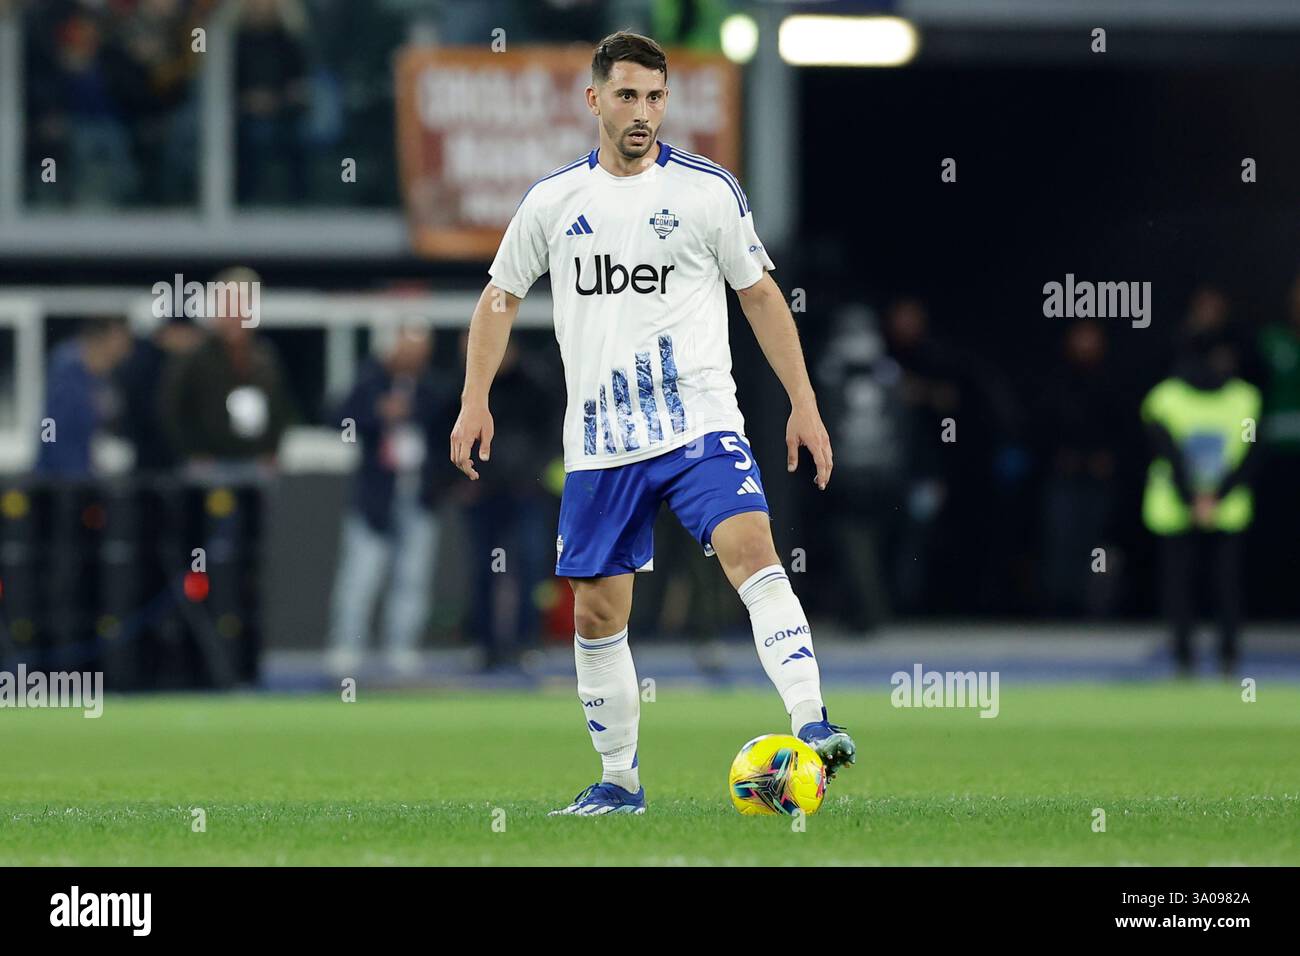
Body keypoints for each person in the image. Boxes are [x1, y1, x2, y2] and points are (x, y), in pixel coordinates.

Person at [450, 32, 854, 816]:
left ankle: (812, 722)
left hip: (699, 421)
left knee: (751, 548)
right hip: (601, 445)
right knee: (599, 612)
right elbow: (498, 298)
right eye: (628, 96)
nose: (643, 113)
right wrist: (475, 399)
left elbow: (762, 296)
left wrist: (803, 402)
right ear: (594, 99)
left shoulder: (707, 191)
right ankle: (620, 782)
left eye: (656, 98)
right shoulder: (553, 202)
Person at [326, 324, 457, 676]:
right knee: (361, 574)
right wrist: (376, 413)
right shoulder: (369, 381)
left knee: (413, 577)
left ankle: (402, 648)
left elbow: (447, 438)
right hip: (375, 496)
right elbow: (337, 417)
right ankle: (346, 647)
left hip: (418, 493)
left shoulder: (433, 389)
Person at [1141, 326, 1261, 677]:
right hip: (1182, 505)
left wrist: (1209, 498)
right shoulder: (1166, 398)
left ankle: (1226, 655)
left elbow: (1251, 453)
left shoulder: (1244, 398)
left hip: (1219, 505)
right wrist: (1198, 498)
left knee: (1225, 583)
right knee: (1181, 583)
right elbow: (1167, 452)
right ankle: (1185, 656)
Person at [35, 315, 133, 477]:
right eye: (121, 339)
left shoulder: (103, 379)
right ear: (104, 338)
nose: (127, 347)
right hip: (64, 482)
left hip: (86, 477)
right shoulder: (67, 372)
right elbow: (50, 424)